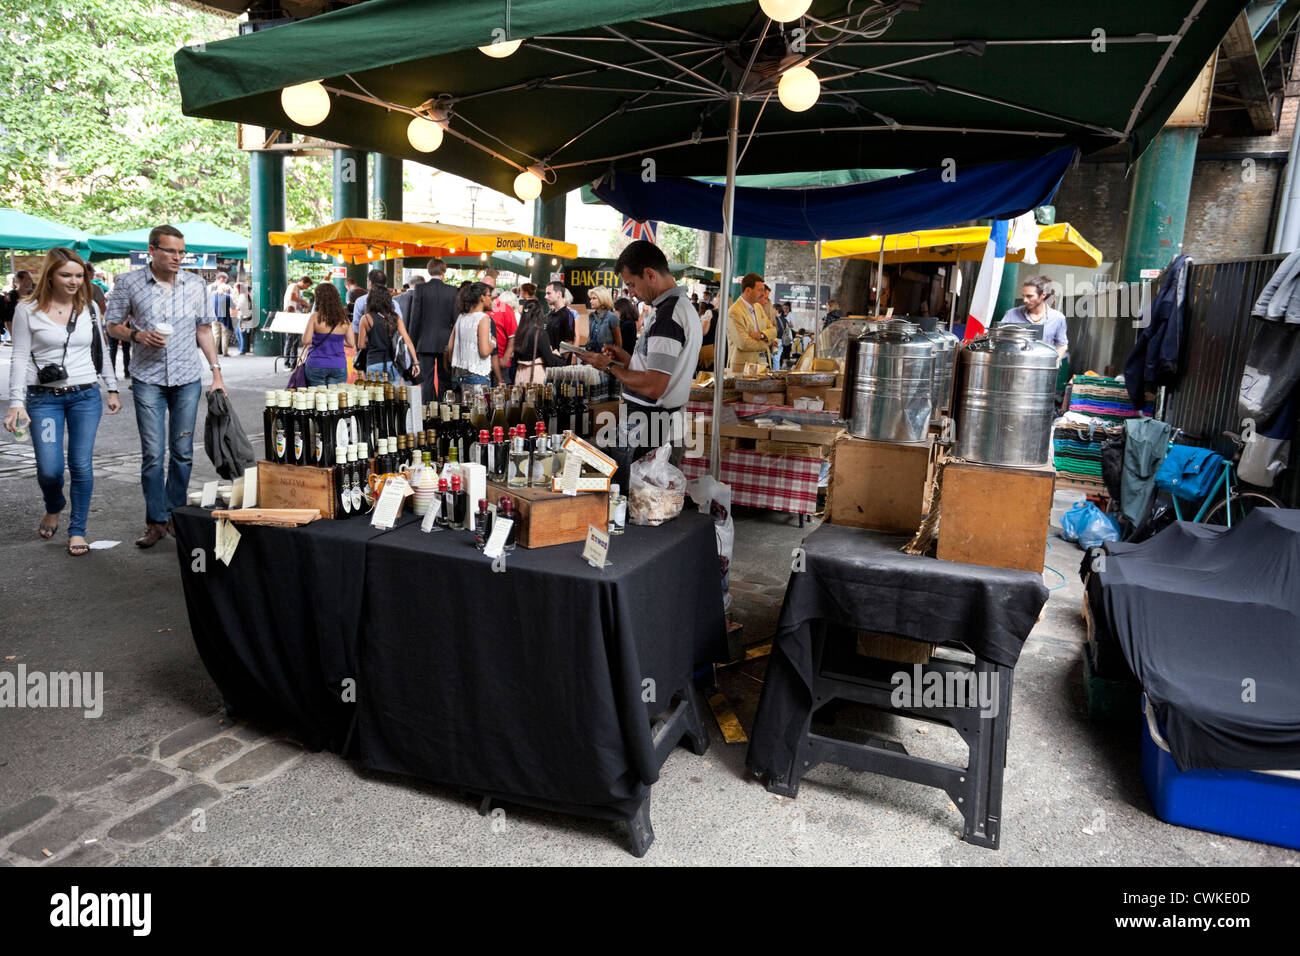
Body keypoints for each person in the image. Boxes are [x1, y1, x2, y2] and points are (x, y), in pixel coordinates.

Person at [105, 225, 226, 548]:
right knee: (153, 454)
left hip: (187, 376)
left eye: (181, 252)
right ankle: (155, 521)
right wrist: (137, 335)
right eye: (170, 251)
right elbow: (112, 326)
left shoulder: (196, 283)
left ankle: (174, 514)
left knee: (183, 453)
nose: (177, 257)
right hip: (147, 378)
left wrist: (216, 373)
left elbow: (204, 330)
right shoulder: (129, 282)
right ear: (152, 250)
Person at [4, 248, 122, 555]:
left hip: (85, 396)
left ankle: (78, 530)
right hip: (43, 399)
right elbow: (18, 357)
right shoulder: (27, 309)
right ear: (50, 276)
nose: (73, 281)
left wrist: (112, 388)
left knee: (81, 465)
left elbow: (101, 349)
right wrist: (15, 403)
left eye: (79, 275)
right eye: (65, 275)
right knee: (50, 470)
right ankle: (54, 505)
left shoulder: (89, 308)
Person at [580, 240, 701, 487]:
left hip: (653, 424)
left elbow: (654, 385)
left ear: (650, 274)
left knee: (639, 504)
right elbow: (659, 368)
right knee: (648, 506)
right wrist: (626, 358)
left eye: (632, 285)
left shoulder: (668, 316)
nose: (631, 293)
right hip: (660, 422)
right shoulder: (676, 308)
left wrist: (608, 366)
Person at [406, 257, 457, 397]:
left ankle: (428, 410)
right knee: (445, 379)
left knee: (426, 381)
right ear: (444, 270)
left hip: (424, 341)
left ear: (429, 271)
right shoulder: (452, 290)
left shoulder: (420, 288)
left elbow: (415, 318)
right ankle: (445, 409)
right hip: (446, 342)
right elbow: (456, 320)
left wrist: (412, 343)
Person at [357, 284, 419, 384]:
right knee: (392, 397)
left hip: (373, 363)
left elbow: (360, 345)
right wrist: (415, 362)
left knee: (375, 397)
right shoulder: (395, 317)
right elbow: (407, 340)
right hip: (393, 364)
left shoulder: (366, 319)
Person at [300, 283, 357, 386]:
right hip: (338, 365)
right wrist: (337, 340)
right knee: (334, 400)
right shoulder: (344, 320)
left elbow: (306, 340)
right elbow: (351, 343)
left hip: (316, 364)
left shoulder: (315, 317)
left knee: (318, 399)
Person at [1001, 274, 1068, 359]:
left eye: (1029, 296)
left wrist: (1055, 363)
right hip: (1014, 366)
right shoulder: (1011, 314)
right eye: (1024, 296)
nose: (1025, 300)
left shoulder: (1058, 318)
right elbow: (999, 340)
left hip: (1042, 368)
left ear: (1043, 295)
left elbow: (1062, 345)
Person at [447, 281, 497, 389]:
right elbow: (484, 352)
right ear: (482, 298)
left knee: (463, 405)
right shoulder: (482, 318)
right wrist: (493, 342)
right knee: (478, 405)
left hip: (460, 375)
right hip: (478, 376)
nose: (491, 299)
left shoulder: (461, 317)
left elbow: (450, 346)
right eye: (489, 295)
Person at [726, 273, 777, 370]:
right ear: (748, 290)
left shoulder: (758, 307)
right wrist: (767, 344)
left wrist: (762, 335)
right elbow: (743, 343)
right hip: (742, 369)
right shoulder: (734, 312)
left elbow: (773, 330)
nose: (763, 294)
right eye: (760, 290)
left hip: (762, 366)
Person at [512, 298, 565, 385]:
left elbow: (516, 357)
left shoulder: (519, 332)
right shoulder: (539, 333)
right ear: (539, 314)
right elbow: (550, 361)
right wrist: (558, 357)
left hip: (520, 375)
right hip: (535, 375)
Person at [492, 289, 519, 385]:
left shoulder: (504, 310)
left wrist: (506, 357)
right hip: (500, 359)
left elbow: (513, 336)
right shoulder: (505, 310)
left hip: (500, 359)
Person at [545, 281, 578, 353]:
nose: (546, 297)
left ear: (559, 294)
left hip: (560, 362)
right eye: (546, 294)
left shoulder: (568, 315)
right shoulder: (550, 315)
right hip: (549, 360)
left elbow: (569, 341)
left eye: (549, 293)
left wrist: (560, 357)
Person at [2, 270, 35, 342]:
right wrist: (12, 335)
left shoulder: (34, 294)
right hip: (20, 331)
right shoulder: (11, 296)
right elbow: (8, 319)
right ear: (20, 280)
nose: (31, 281)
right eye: (28, 278)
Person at [234, 281, 255, 355]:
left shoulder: (242, 296)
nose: (235, 290)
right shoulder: (247, 295)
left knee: (241, 333)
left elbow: (239, 306)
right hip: (247, 316)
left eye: (236, 288)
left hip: (243, 317)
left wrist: (235, 303)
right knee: (240, 332)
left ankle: (242, 349)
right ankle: (244, 348)